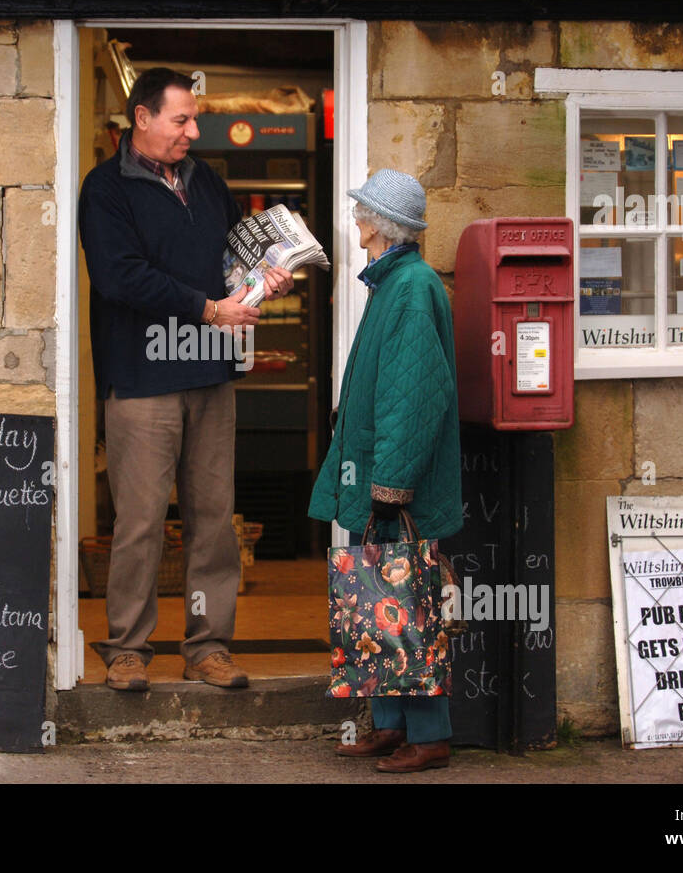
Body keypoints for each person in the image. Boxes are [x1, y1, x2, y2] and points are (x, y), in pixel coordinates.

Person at [78, 67, 293, 691]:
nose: (193, 132)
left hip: (210, 375)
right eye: (181, 120)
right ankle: (128, 649)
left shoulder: (206, 183)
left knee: (212, 521)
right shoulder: (106, 189)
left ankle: (206, 646)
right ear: (141, 118)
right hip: (142, 380)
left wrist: (262, 278)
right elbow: (121, 277)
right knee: (141, 523)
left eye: (194, 120)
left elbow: (232, 260)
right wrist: (208, 310)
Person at [309, 169, 462, 773]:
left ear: (379, 224)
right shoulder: (394, 282)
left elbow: (414, 395)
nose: (354, 220)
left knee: (407, 604)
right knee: (381, 603)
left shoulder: (411, 287)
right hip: (377, 478)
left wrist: (390, 486)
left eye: (361, 212)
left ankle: (430, 736)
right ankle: (394, 726)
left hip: (394, 487)